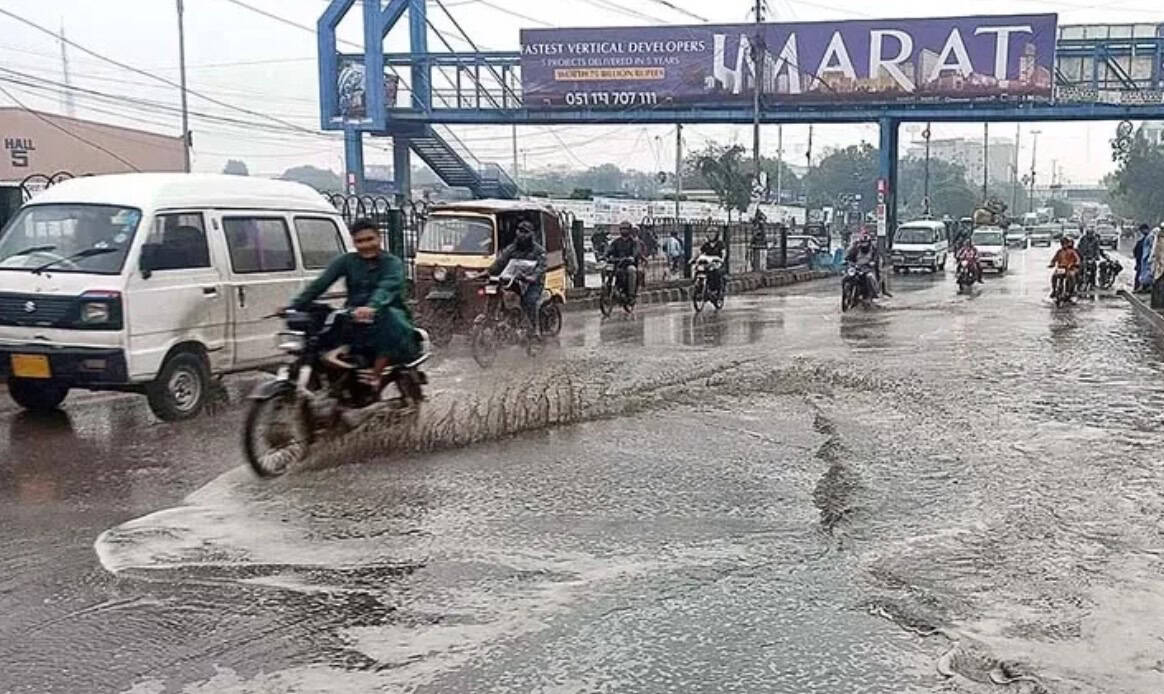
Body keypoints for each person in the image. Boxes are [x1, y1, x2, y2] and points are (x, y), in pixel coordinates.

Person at [292, 218, 419, 384]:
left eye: (370, 239)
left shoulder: (392, 263)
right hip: (353, 316)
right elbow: (320, 284)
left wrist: (371, 307)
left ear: (379, 238)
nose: (365, 245)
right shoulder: (346, 261)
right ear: (353, 242)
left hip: (387, 316)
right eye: (359, 241)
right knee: (320, 319)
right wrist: (294, 306)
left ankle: (376, 374)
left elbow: (386, 288)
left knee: (389, 317)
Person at [489, 220, 547, 337]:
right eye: (519, 231)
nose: (521, 234)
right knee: (499, 295)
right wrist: (486, 272)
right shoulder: (511, 249)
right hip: (513, 280)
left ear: (531, 234)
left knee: (529, 301)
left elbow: (541, 268)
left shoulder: (539, 251)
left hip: (533, 283)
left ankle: (534, 332)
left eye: (525, 232)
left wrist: (532, 277)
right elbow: (499, 263)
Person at [606, 221, 640, 301]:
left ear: (629, 230)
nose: (623, 231)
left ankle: (631, 295)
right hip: (617, 264)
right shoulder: (616, 242)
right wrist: (604, 256)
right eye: (622, 229)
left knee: (631, 270)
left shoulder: (633, 242)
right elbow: (609, 250)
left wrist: (632, 257)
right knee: (607, 269)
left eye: (625, 229)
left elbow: (636, 251)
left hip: (628, 264)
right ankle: (608, 288)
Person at [844, 231, 881, 298]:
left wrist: (873, 262)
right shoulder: (855, 248)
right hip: (856, 267)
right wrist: (846, 260)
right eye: (862, 242)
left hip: (867, 268)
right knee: (845, 278)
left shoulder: (873, 250)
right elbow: (849, 256)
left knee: (869, 277)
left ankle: (873, 293)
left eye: (865, 243)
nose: (864, 245)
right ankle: (846, 293)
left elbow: (876, 258)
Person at [699, 228, 726, 294]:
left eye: (713, 234)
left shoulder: (720, 244)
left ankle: (716, 290)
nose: (711, 235)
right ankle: (699, 289)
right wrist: (694, 259)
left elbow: (724, 253)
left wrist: (722, 259)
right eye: (709, 234)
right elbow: (700, 253)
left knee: (716, 273)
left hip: (717, 264)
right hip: (708, 263)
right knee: (699, 270)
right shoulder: (706, 244)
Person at [1134, 223, 1152, 292]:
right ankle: (1138, 288)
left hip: (1146, 261)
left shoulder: (1149, 239)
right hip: (1140, 261)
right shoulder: (1142, 240)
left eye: (1142, 230)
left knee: (1143, 276)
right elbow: (1136, 251)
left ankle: (1142, 288)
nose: (1142, 232)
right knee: (1140, 275)